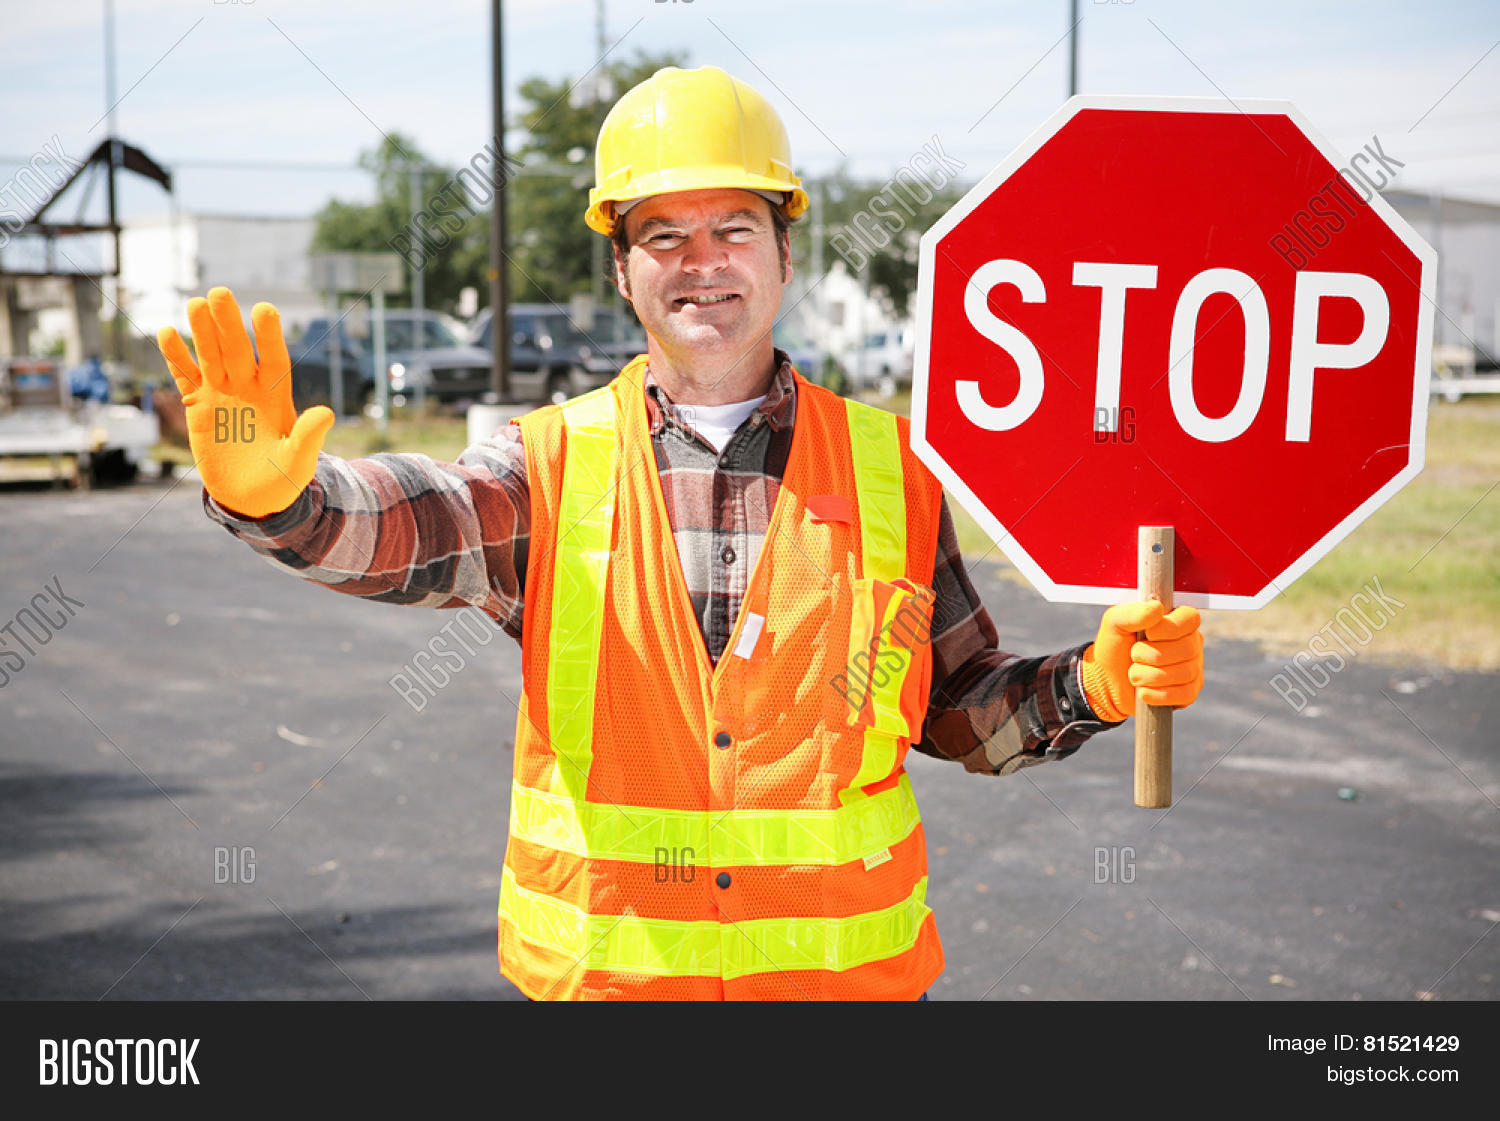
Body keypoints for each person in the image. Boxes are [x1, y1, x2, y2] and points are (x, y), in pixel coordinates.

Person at [157, 65, 1204, 1001]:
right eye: (664, 234)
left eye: (734, 229)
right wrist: (282, 502)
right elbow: (416, 520)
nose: (702, 261)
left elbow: (958, 708)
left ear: (785, 255)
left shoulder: (895, 470)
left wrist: (1093, 685)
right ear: (622, 271)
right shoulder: (550, 465)